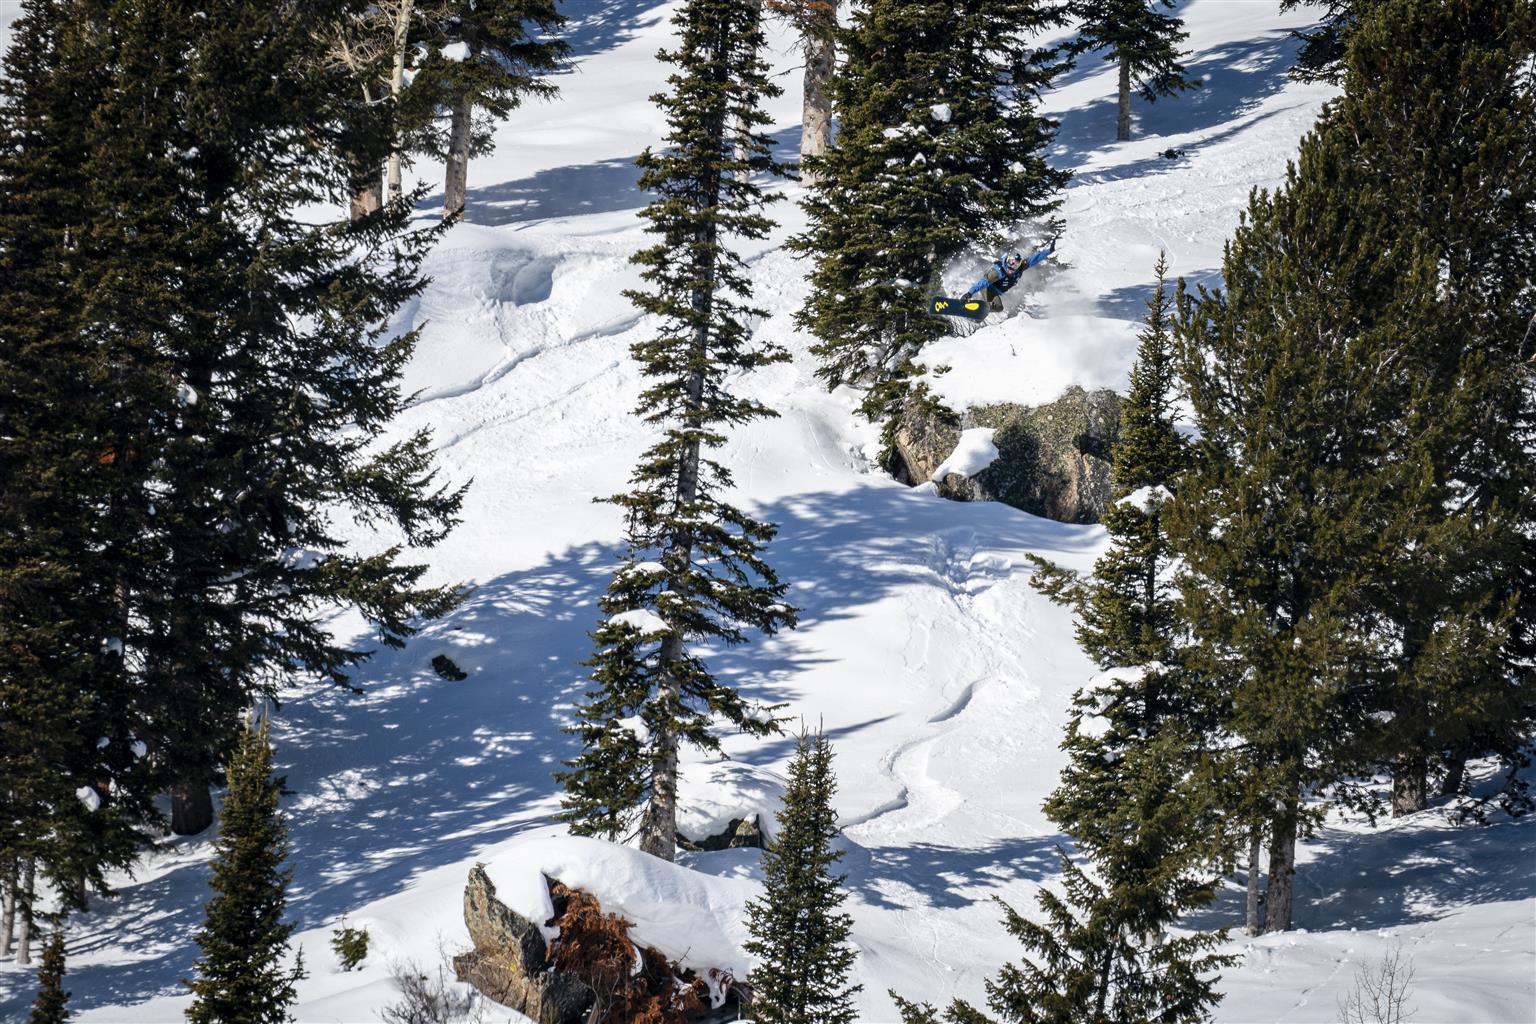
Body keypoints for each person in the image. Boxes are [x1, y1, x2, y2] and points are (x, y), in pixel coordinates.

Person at [962, 241, 1055, 313]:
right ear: (1006, 261)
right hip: (988, 288)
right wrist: (969, 293)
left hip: (996, 292)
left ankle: (976, 314)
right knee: (995, 304)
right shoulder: (998, 272)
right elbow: (982, 282)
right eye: (1010, 265)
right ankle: (971, 306)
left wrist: (1049, 251)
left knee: (998, 307)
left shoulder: (1020, 268)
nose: (1011, 269)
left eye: (1015, 266)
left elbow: (1034, 259)